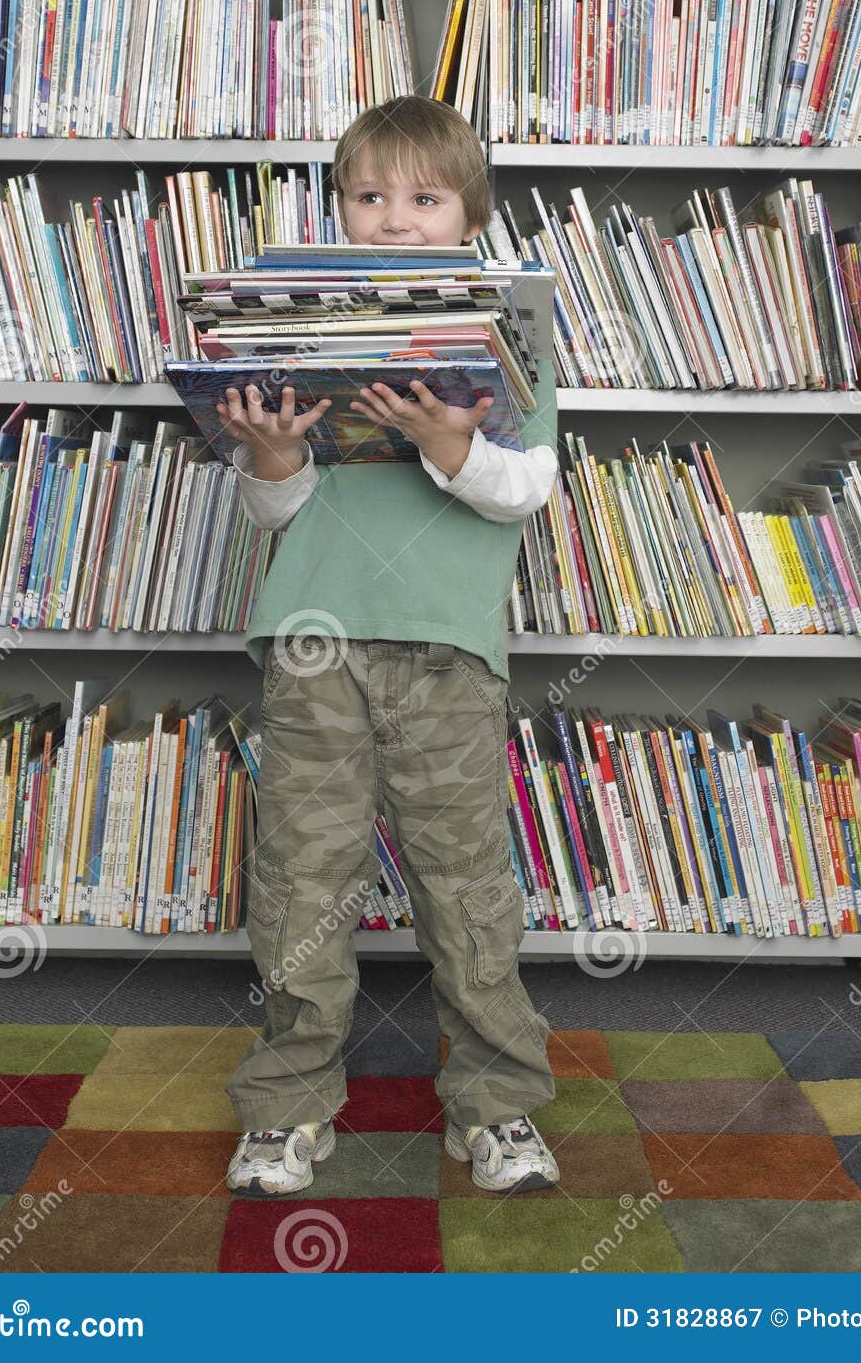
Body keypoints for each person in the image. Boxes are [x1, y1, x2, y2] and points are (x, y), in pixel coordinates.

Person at [216, 95, 560, 1198]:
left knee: (464, 887)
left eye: (425, 198)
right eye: (370, 196)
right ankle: (286, 1107)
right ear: (338, 211)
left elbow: (524, 491)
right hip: (313, 647)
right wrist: (269, 457)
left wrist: (451, 447)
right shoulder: (302, 326)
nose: (396, 220)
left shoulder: (509, 335)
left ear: (469, 217)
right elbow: (280, 515)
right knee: (300, 879)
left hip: (449, 653)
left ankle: (497, 1106)